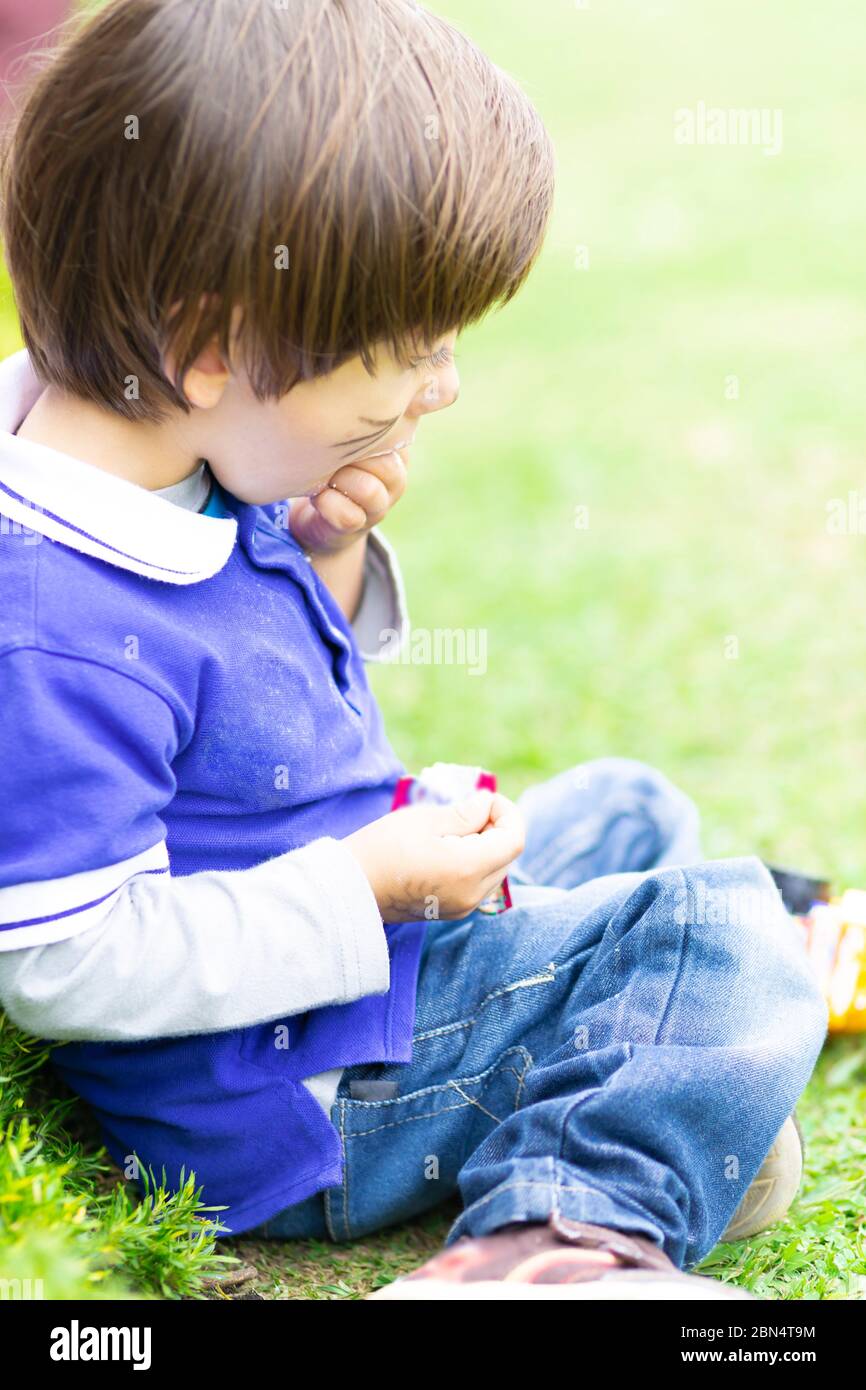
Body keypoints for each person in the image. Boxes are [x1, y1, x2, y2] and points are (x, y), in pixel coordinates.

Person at [0, 0, 826, 1300]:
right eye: (407, 348)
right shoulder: (49, 620)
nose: (439, 384)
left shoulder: (180, 453)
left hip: (355, 949)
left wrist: (323, 550)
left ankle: (655, 1063)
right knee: (721, 922)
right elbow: (62, 959)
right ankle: (557, 1240)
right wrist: (363, 885)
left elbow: (252, 718)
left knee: (629, 803)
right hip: (295, 1082)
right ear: (211, 345)